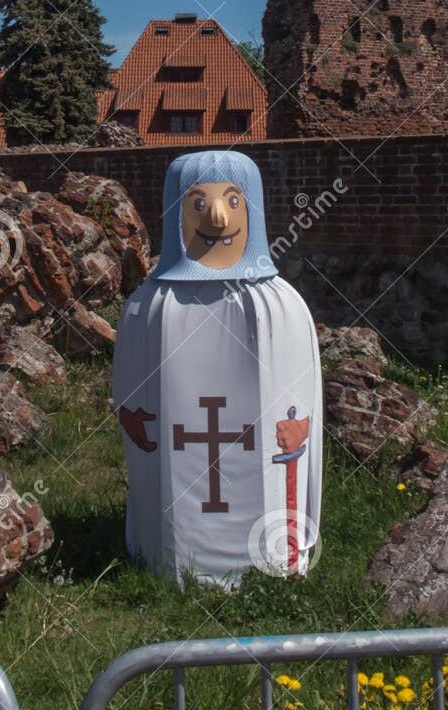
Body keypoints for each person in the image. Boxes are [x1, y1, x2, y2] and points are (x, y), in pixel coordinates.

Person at [112, 149, 322, 585]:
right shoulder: (149, 308)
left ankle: (270, 557)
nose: (219, 221)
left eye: (232, 202)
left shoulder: (278, 306)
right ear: (178, 212)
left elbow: (299, 398)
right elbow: (132, 398)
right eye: (199, 204)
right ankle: (171, 555)